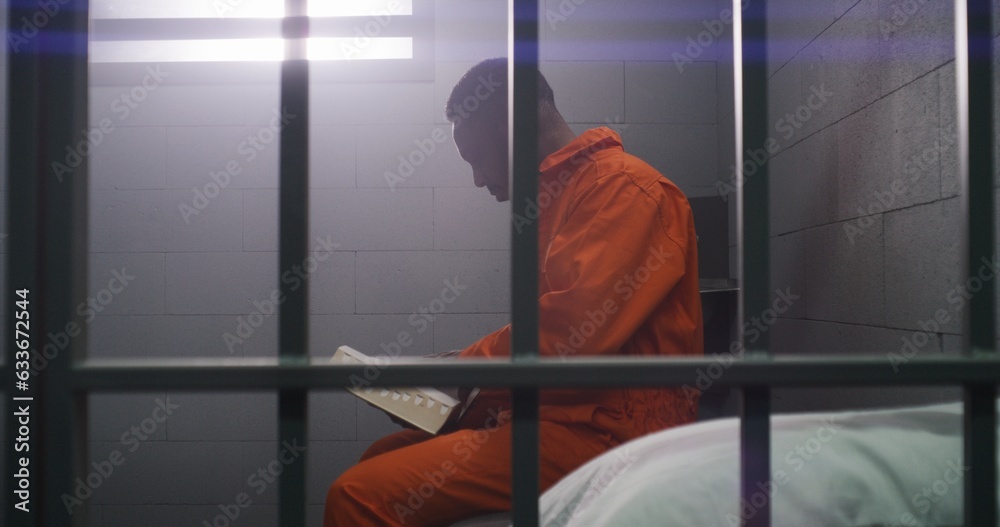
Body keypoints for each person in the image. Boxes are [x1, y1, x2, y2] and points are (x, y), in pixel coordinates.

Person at [324, 57, 703, 527]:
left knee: (356, 496)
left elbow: (572, 338)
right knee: (379, 455)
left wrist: (461, 375)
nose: (479, 179)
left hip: (615, 434)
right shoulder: (569, 195)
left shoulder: (624, 189)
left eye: (477, 157)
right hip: (570, 417)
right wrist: (459, 397)